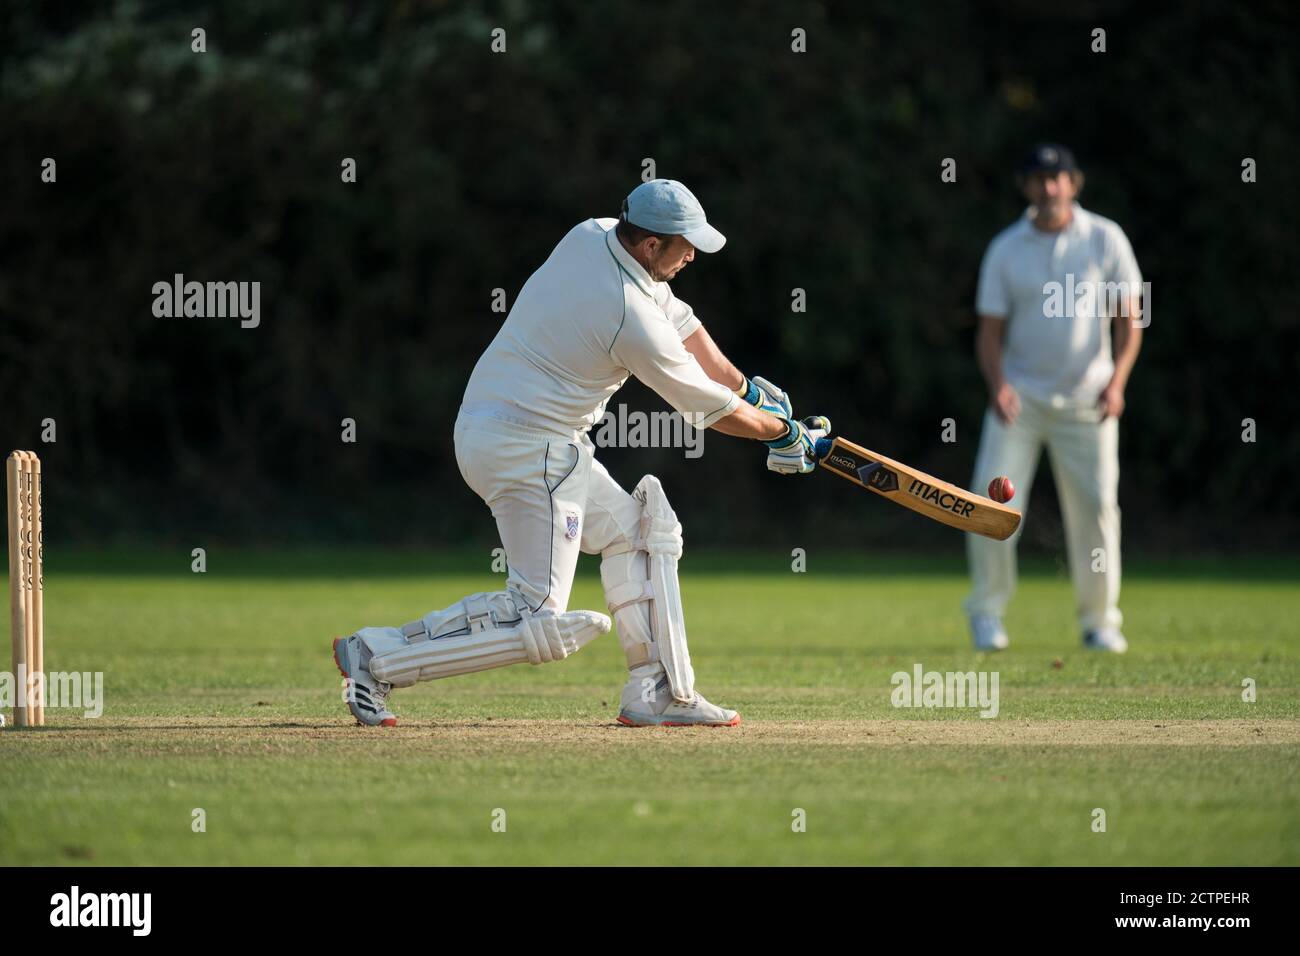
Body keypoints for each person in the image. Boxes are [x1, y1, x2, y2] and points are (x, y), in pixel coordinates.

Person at [333, 179, 830, 726]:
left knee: (637, 533)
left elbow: (683, 324)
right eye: (684, 245)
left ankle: (654, 691)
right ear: (649, 246)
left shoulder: (592, 235)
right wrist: (779, 434)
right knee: (537, 614)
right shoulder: (627, 316)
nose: (691, 255)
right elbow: (705, 408)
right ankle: (376, 657)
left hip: (507, 431)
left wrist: (750, 389)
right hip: (530, 447)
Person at [964, 144, 1143, 653]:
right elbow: (989, 332)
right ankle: (986, 612)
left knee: (1097, 508)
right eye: (1039, 180)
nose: (1049, 188)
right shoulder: (1006, 247)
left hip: (1091, 400)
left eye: (1058, 178)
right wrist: (998, 384)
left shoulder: (1106, 239)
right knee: (988, 502)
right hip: (1018, 401)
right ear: (1026, 187)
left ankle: (1100, 621)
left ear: (1074, 183)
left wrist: (1117, 384)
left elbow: (1130, 321)